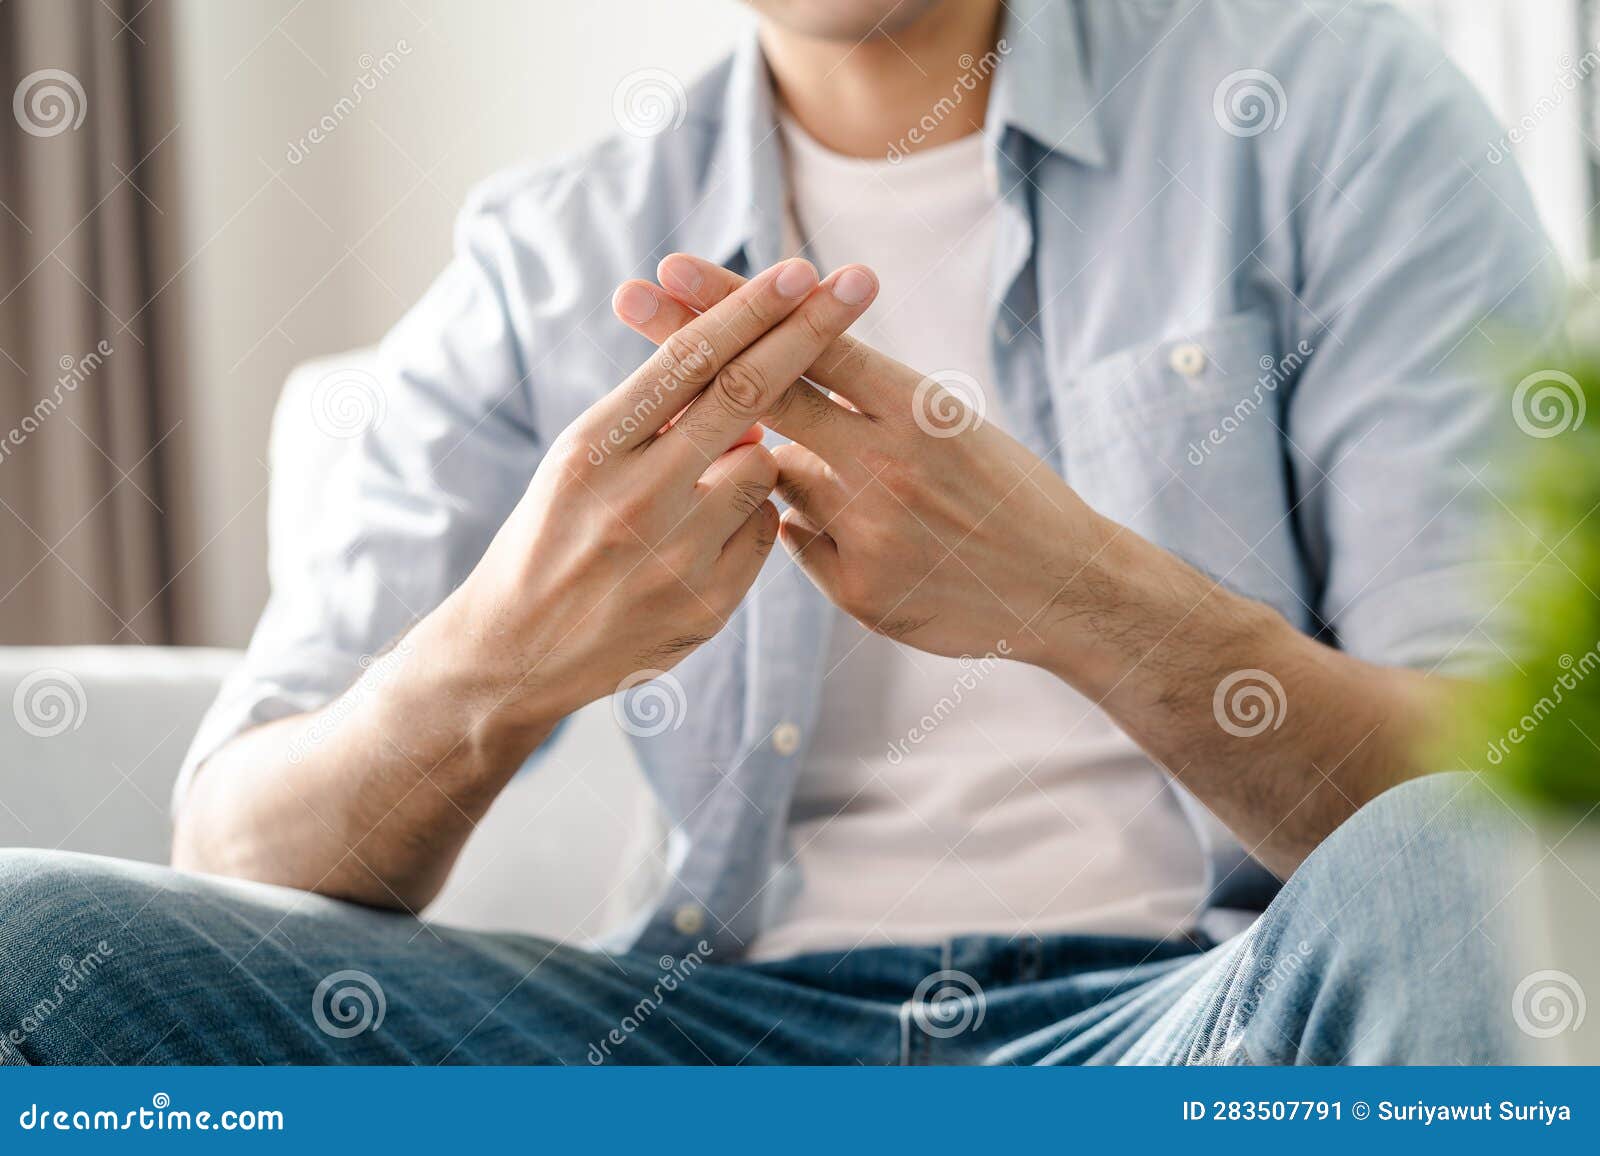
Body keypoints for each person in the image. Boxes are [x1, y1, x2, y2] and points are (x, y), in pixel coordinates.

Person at [0, 0, 1566, 1064]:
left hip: (1194, 1021)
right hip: (693, 1037)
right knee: (35, 942)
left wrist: (1084, 599)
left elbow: (1514, 798)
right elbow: (234, 849)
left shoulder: (1333, 107)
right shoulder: (550, 256)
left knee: (1457, 862)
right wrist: (488, 672)